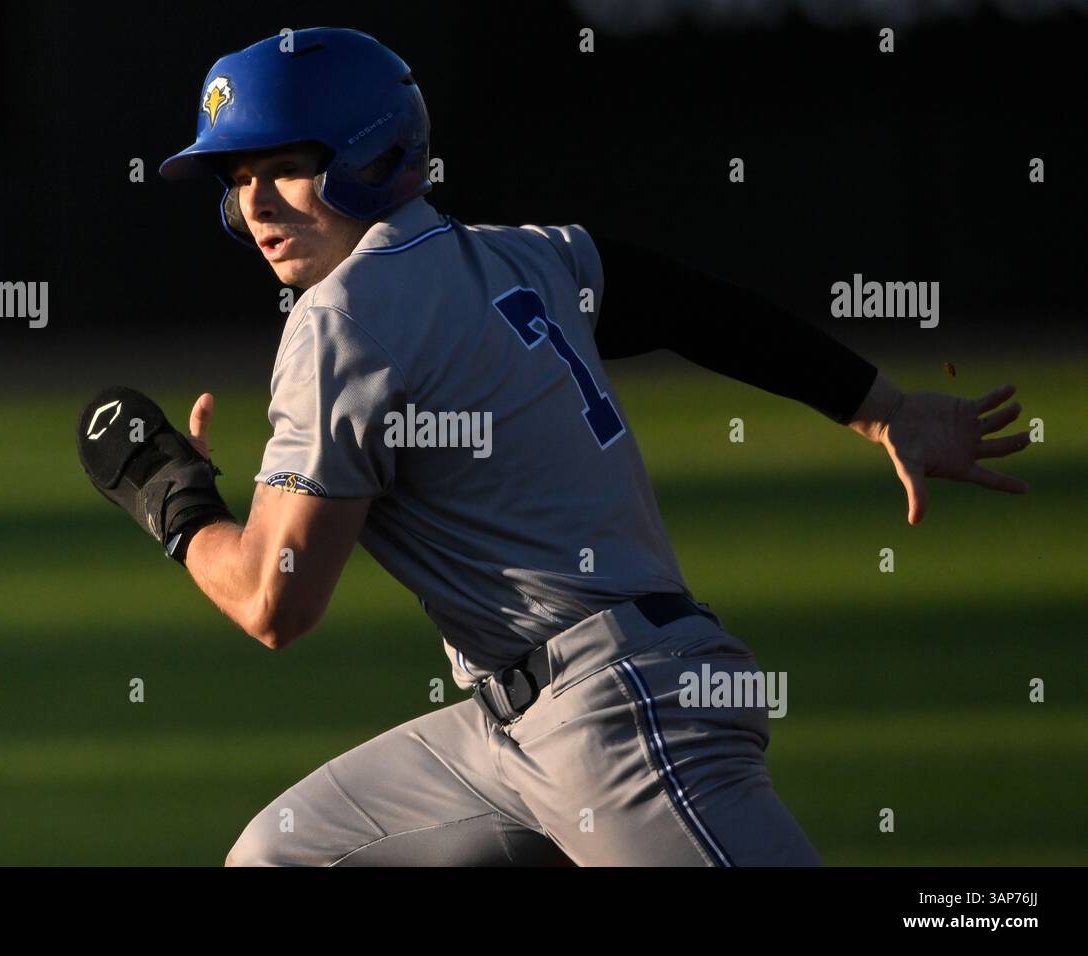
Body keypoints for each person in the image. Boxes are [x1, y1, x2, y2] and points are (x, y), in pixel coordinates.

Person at [106, 27, 1031, 865]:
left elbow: (276, 601)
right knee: (283, 857)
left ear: (370, 154)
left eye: (281, 165)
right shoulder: (525, 256)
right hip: (515, 729)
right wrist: (879, 407)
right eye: (234, 179)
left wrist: (171, 495)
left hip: (624, 720)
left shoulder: (340, 317)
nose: (254, 203)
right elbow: (692, 306)